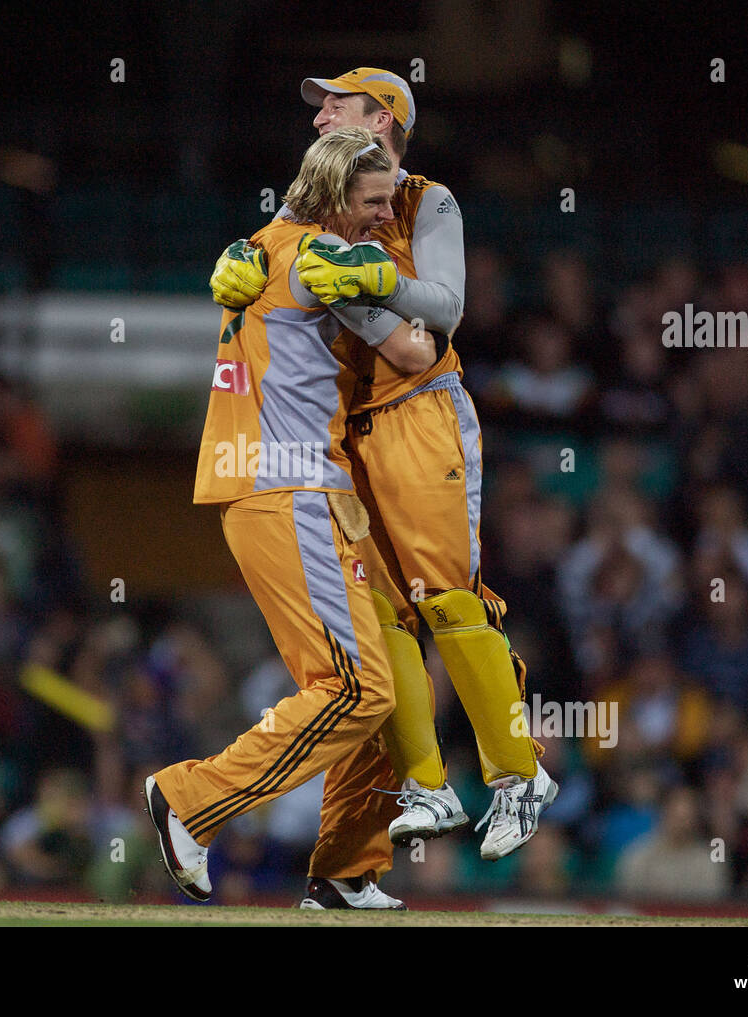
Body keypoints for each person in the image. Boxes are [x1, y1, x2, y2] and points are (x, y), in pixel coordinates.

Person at [210, 68, 557, 899]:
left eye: (340, 103)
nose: (322, 111)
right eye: (323, 103)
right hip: (344, 436)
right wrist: (233, 263)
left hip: (422, 415)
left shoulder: (426, 200)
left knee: (447, 597)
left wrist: (374, 281)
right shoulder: (319, 203)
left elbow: (446, 307)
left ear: (385, 120)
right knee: (382, 613)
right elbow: (274, 263)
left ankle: (518, 776)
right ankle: (428, 781)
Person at [145, 128, 437, 909]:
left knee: (382, 687)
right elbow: (418, 347)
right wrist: (414, 294)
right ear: (337, 195)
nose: (383, 215)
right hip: (293, 491)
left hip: (286, 490)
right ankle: (193, 800)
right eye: (373, 201)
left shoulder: (262, 246)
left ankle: (346, 866)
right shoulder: (325, 257)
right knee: (356, 689)